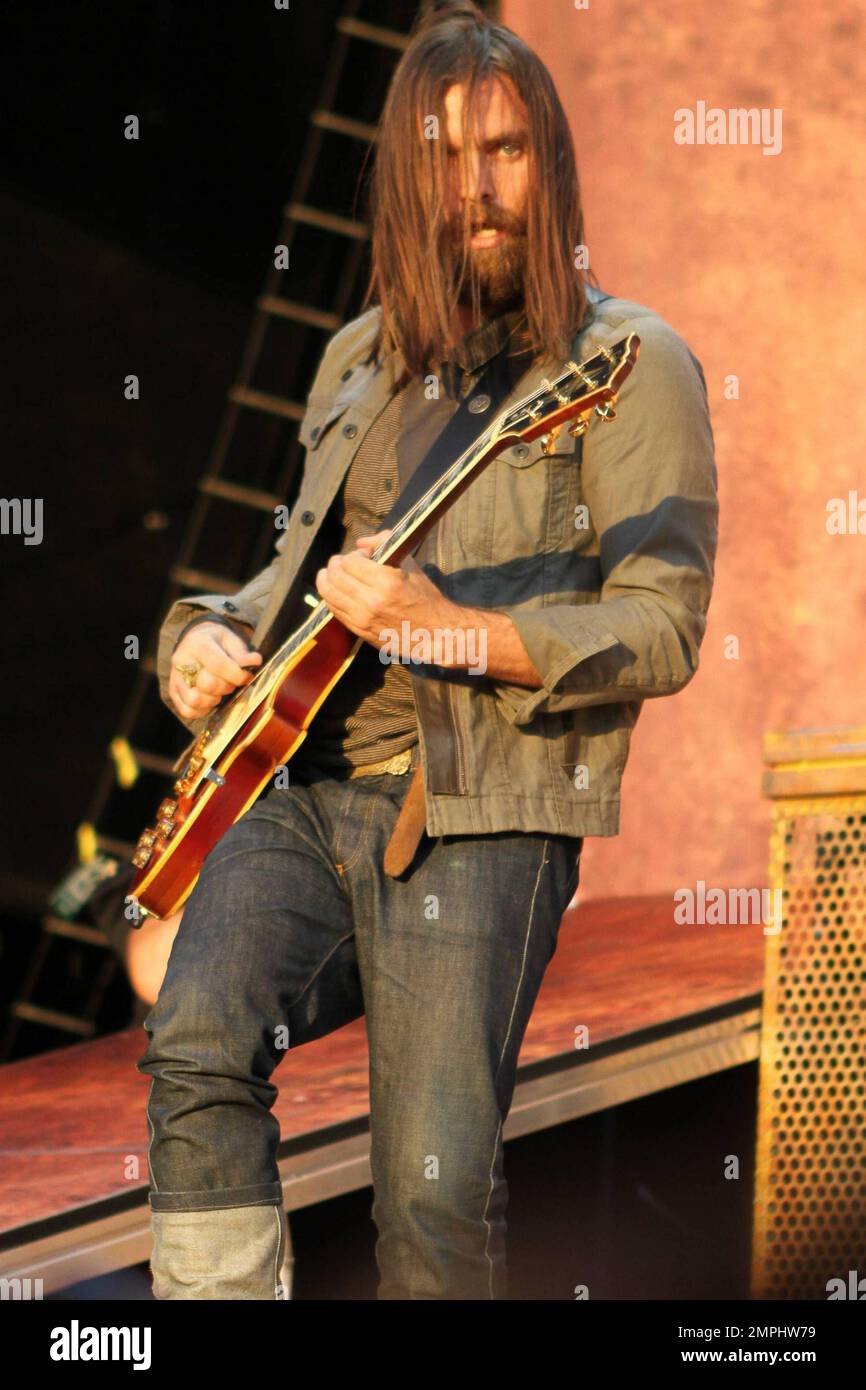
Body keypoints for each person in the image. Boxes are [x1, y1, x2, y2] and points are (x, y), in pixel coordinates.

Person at [136, 0, 718, 1300]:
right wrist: (205, 639)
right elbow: (288, 581)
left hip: (481, 814)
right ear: (403, 180)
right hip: (299, 796)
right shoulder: (356, 360)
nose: (478, 190)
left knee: (431, 1192)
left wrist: (445, 629)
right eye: (446, 160)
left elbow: (661, 624)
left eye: (504, 150)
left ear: (549, 162)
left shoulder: (630, 363)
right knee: (194, 1045)